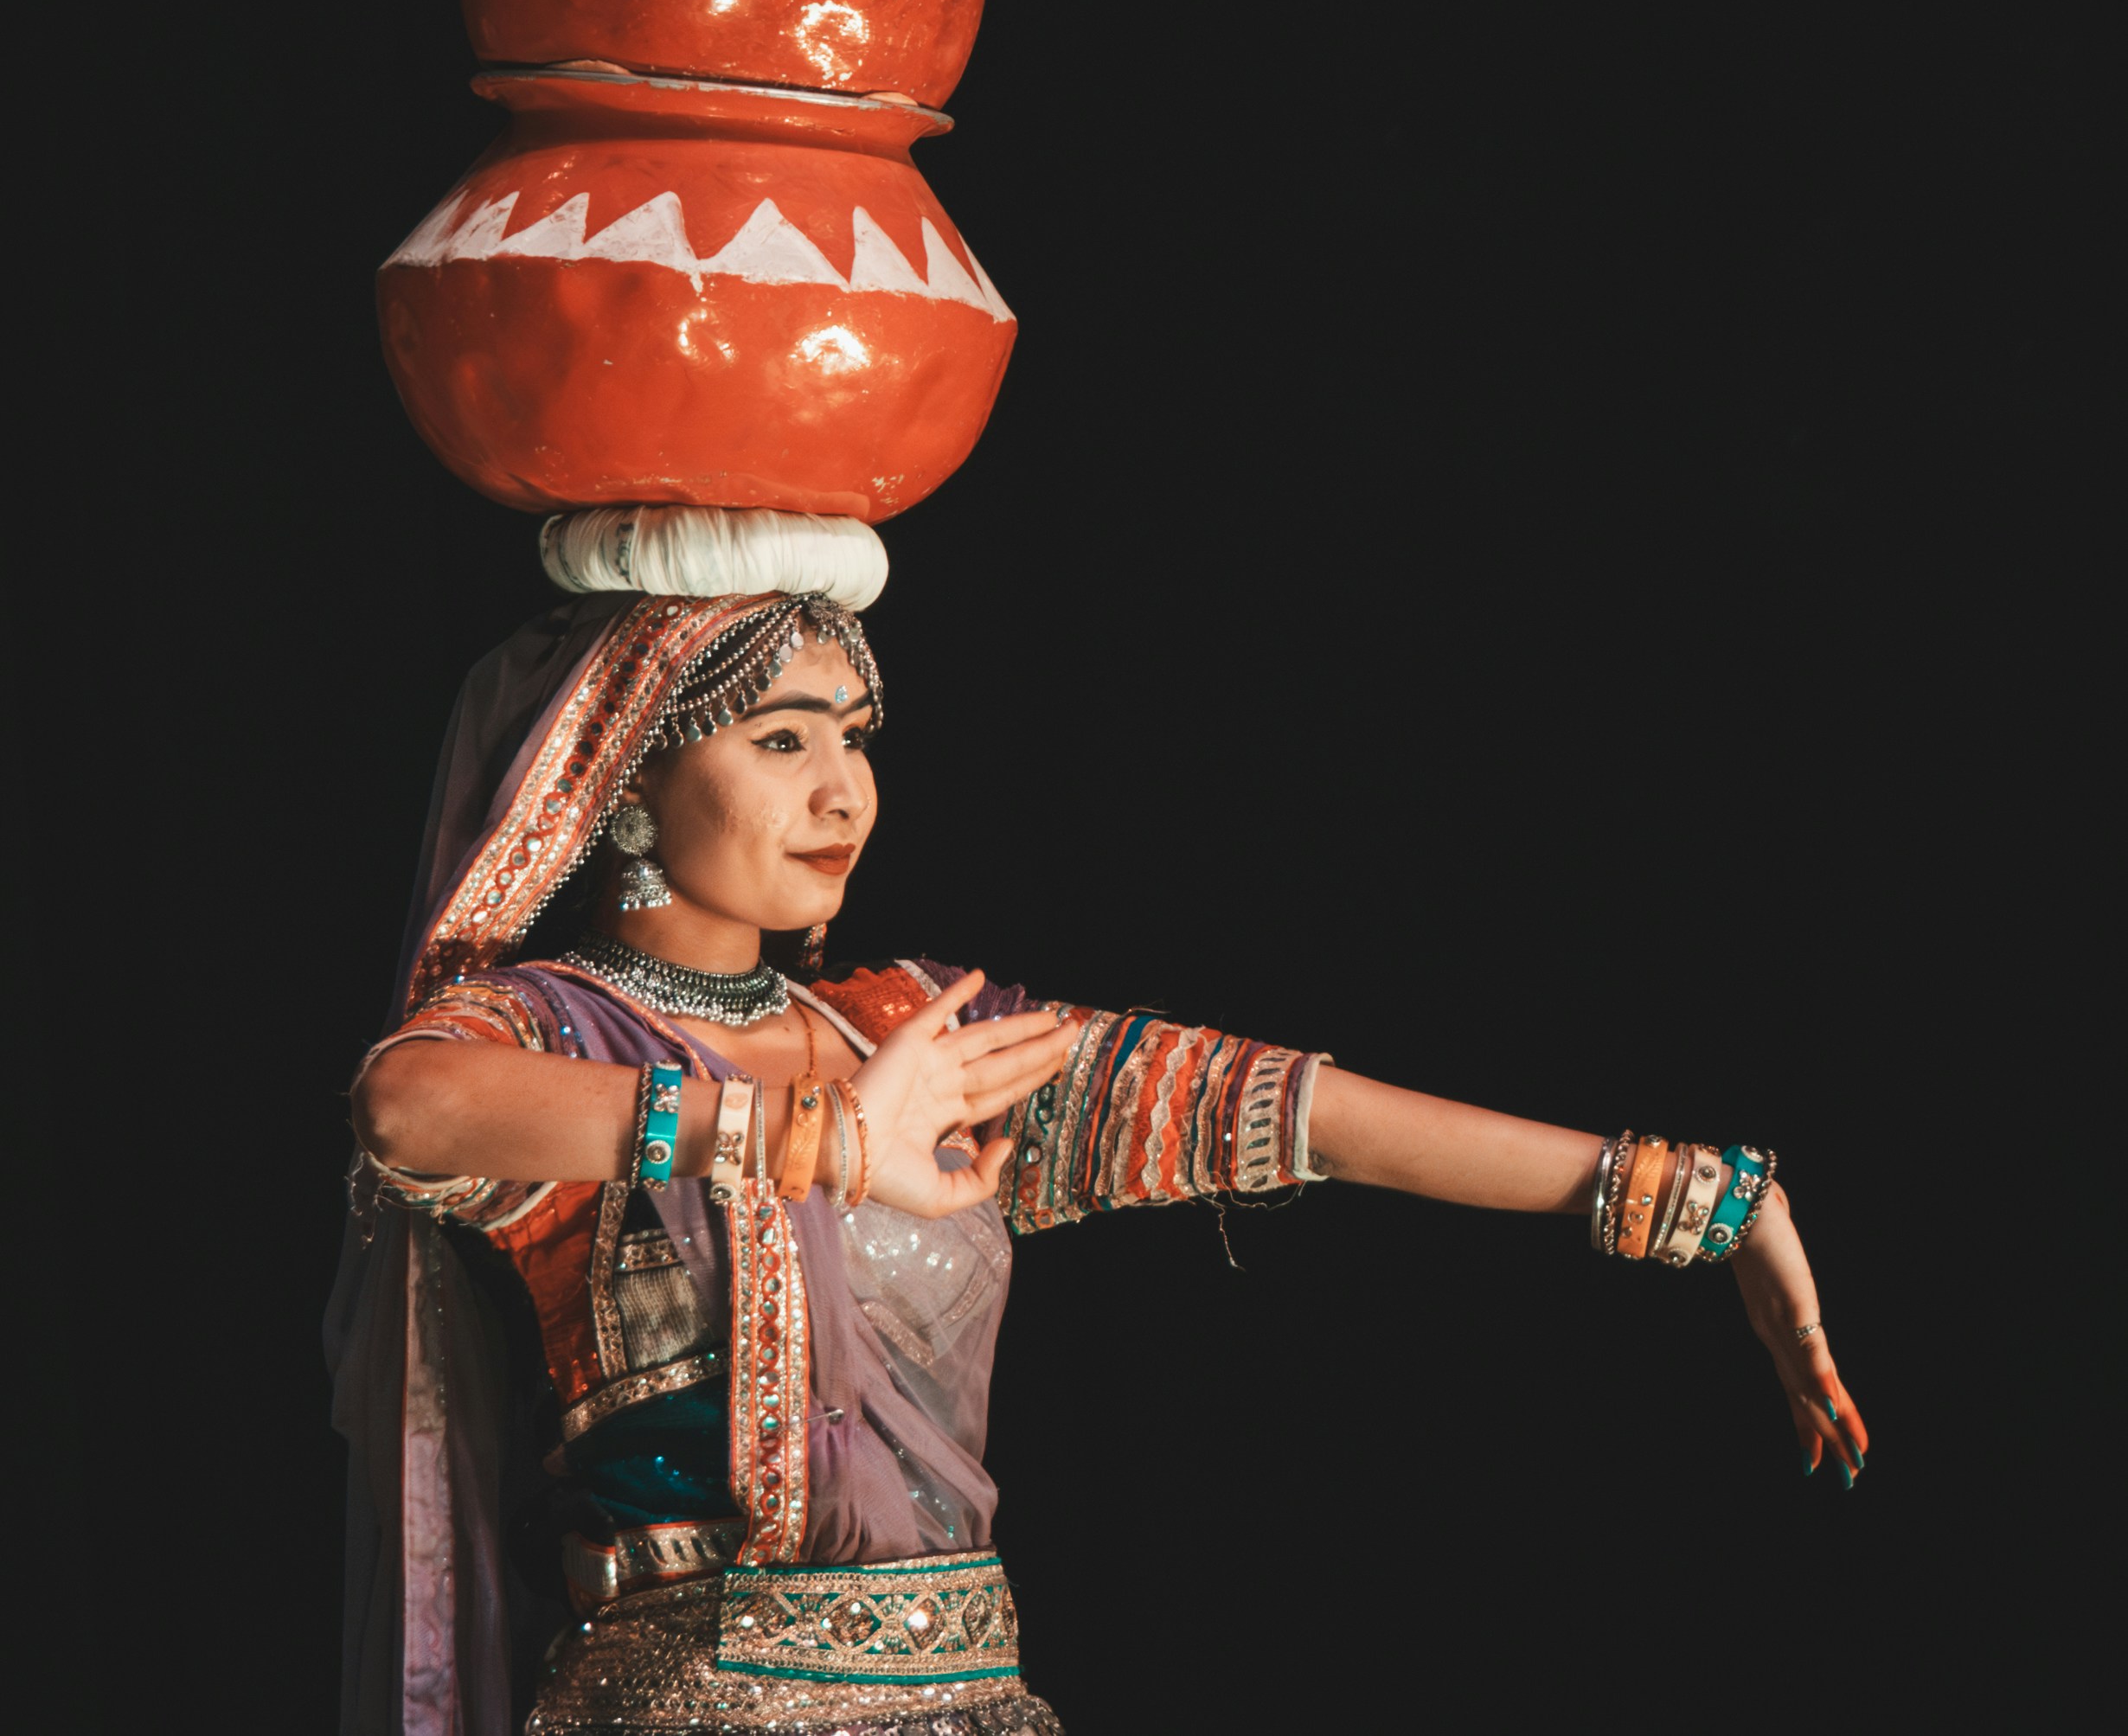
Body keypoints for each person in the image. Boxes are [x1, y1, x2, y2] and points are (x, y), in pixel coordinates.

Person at [332, 577, 1868, 1736]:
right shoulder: (559, 1031)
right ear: (629, 777)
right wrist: (802, 1139)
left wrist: (1698, 1198)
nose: (843, 787)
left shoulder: (916, 1034)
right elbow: (407, 1108)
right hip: (695, 1699)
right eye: (778, 736)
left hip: (976, 1692)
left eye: (856, 737)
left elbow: (1287, 1110)